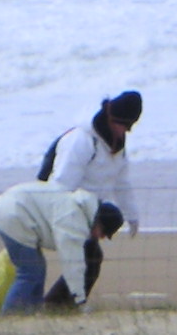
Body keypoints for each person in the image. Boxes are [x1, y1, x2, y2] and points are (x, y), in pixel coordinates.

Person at [38, 91, 143, 306]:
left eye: (129, 127)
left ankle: (62, 304)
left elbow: (122, 184)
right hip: (65, 208)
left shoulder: (118, 146)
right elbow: (61, 184)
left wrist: (132, 215)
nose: (125, 131)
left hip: (89, 212)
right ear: (110, 118)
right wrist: (59, 219)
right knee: (87, 258)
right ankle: (56, 305)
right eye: (123, 125)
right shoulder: (82, 141)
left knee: (91, 259)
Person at [0, 181, 126, 312]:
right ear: (98, 223)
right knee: (29, 272)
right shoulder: (73, 220)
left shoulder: (80, 207)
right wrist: (80, 300)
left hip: (13, 209)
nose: (100, 238)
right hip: (12, 215)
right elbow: (72, 265)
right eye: (103, 233)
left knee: (37, 269)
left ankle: (30, 313)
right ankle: (9, 317)